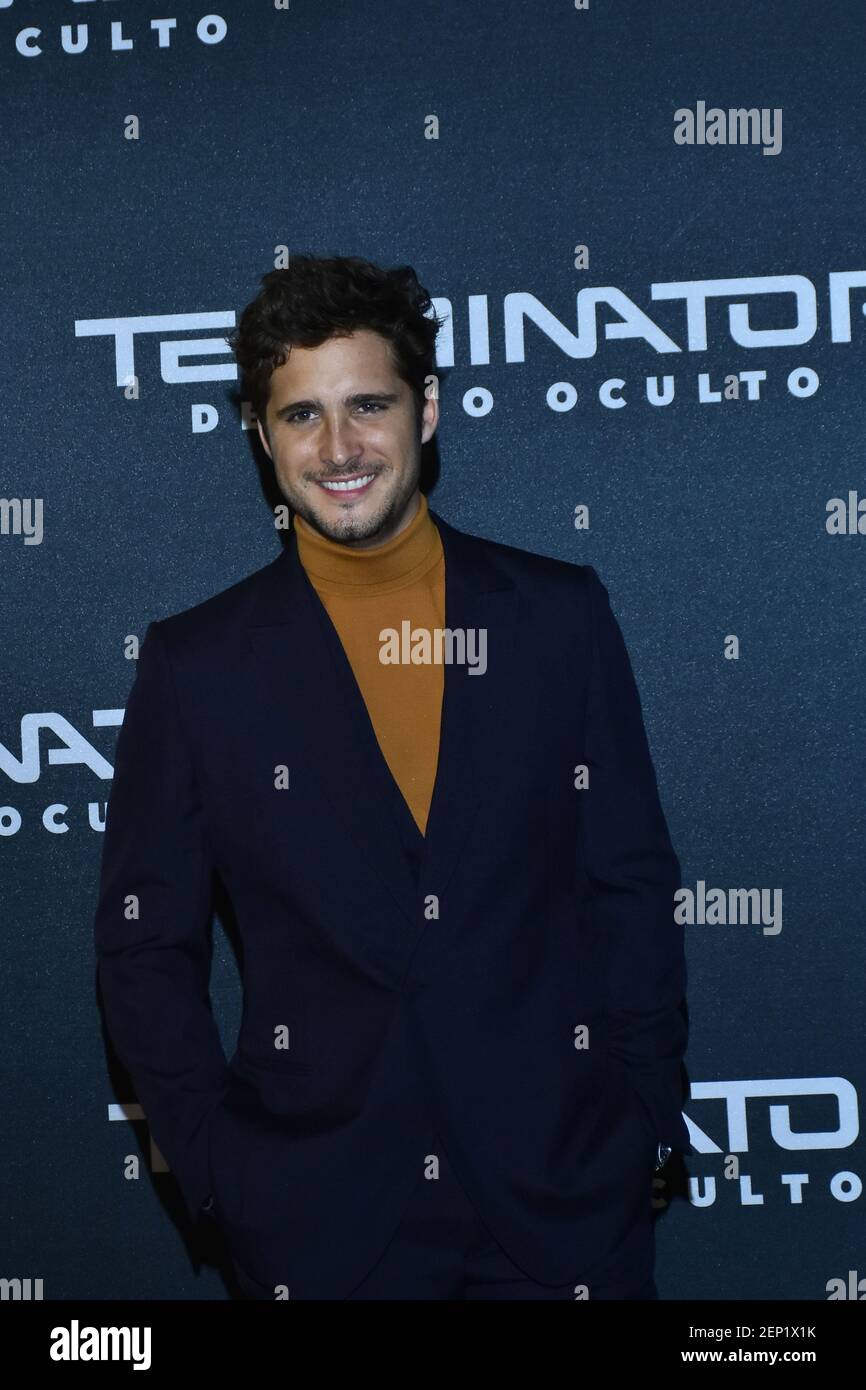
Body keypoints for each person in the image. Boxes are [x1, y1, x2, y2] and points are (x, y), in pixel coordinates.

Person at [93, 254, 691, 1301]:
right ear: (260, 433)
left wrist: (642, 1107)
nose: (336, 448)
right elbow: (145, 946)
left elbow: (628, 882)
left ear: (426, 411)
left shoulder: (555, 618)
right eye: (299, 416)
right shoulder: (195, 667)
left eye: (365, 404)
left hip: (560, 1203)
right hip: (318, 1224)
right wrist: (218, 1163)